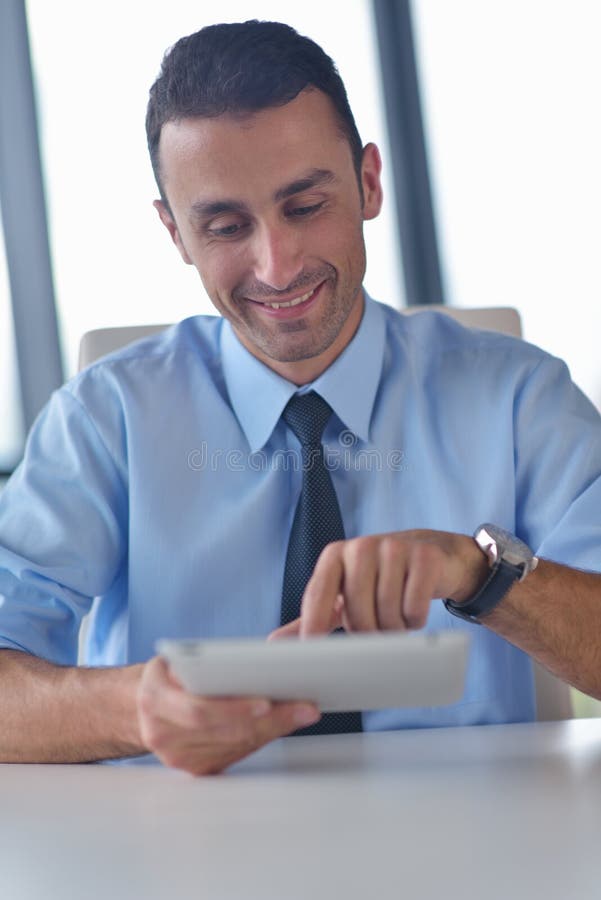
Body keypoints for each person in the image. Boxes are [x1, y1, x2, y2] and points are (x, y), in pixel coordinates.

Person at [1, 20, 600, 776]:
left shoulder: (520, 398)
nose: (276, 266)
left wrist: (481, 574)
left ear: (368, 183)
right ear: (175, 233)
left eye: (306, 205)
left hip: (468, 831)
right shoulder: (104, 419)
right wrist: (134, 711)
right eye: (225, 226)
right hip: (185, 841)